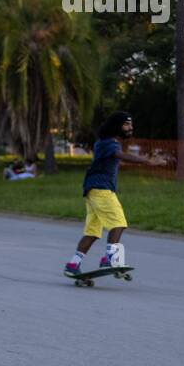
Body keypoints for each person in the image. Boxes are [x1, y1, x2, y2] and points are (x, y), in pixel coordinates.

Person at [65, 112, 161, 275]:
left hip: (93, 190)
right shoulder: (109, 143)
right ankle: (110, 259)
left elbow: (115, 159)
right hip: (101, 190)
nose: (130, 128)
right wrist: (147, 161)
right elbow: (120, 155)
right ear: (117, 126)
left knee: (92, 232)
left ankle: (73, 265)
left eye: (131, 125)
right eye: (127, 124)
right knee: (118, 223)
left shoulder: (104, 143)